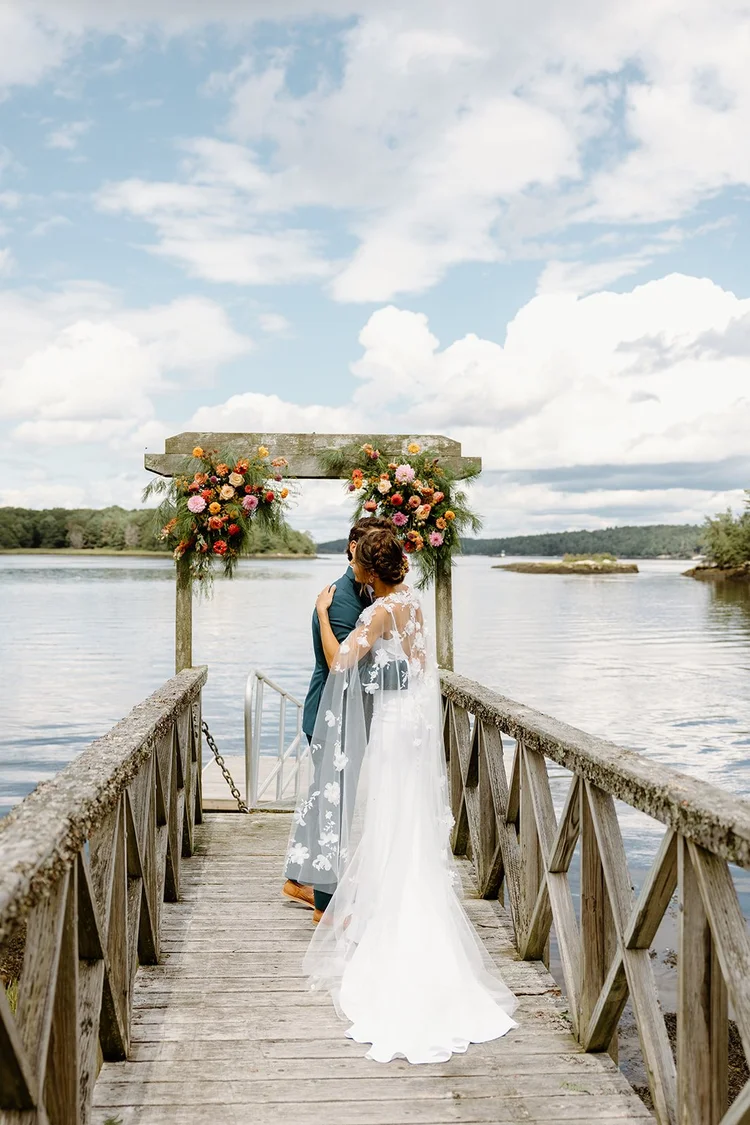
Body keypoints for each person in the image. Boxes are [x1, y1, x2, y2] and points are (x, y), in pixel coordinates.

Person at [284, 527, 518, 1064]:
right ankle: (410, 910)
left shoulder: (376, 613)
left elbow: (341, 662)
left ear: (366, 570)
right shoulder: (415, 603)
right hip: (413, 719)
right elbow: (414, 665)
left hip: (392, 725)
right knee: (407, 821)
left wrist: (323, 613)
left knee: (387, 818)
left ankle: (390, 926)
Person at [282, 515, 392, 920]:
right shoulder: (341, 598)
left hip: (349, 715)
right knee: (335, 807)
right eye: (371, 550)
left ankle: (297, 878)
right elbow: (339, 664)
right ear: (353, 548)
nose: (377, 558)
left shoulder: (368, 593)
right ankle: (326, 904)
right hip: (333, 716)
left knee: (324, 796)